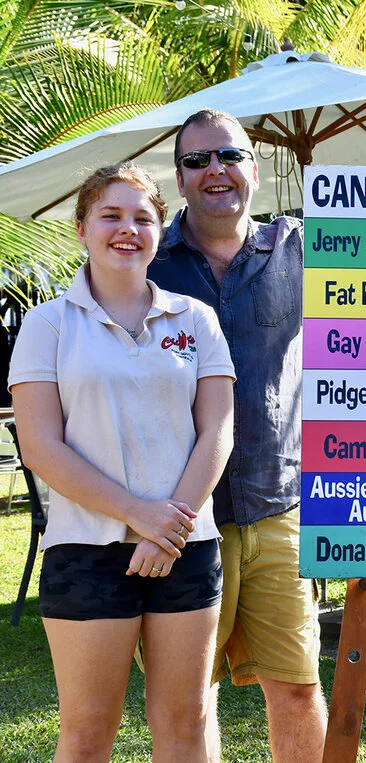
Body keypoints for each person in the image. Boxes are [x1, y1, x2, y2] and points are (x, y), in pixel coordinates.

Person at [146, 108, 366, 761]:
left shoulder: (297, 248)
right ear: (178, 178)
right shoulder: (147, 263)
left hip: (279, 510)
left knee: (298, 690)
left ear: (253, 168)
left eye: (227, 155)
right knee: (188, 700)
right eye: (197, 161)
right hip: (179, 519)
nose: (214, 171)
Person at [8, 162, 235, 760]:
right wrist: (143, 516)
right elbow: (41, 447)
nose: (126, 229)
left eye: (143, 217)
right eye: (110, 215)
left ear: (161, 230)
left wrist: (170, 529)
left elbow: (219, 427)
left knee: (186, 723)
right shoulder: (47, 325)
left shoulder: (196, 319)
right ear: (82, 227)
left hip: (186, 547)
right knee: (86, 735)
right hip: (84, 552)